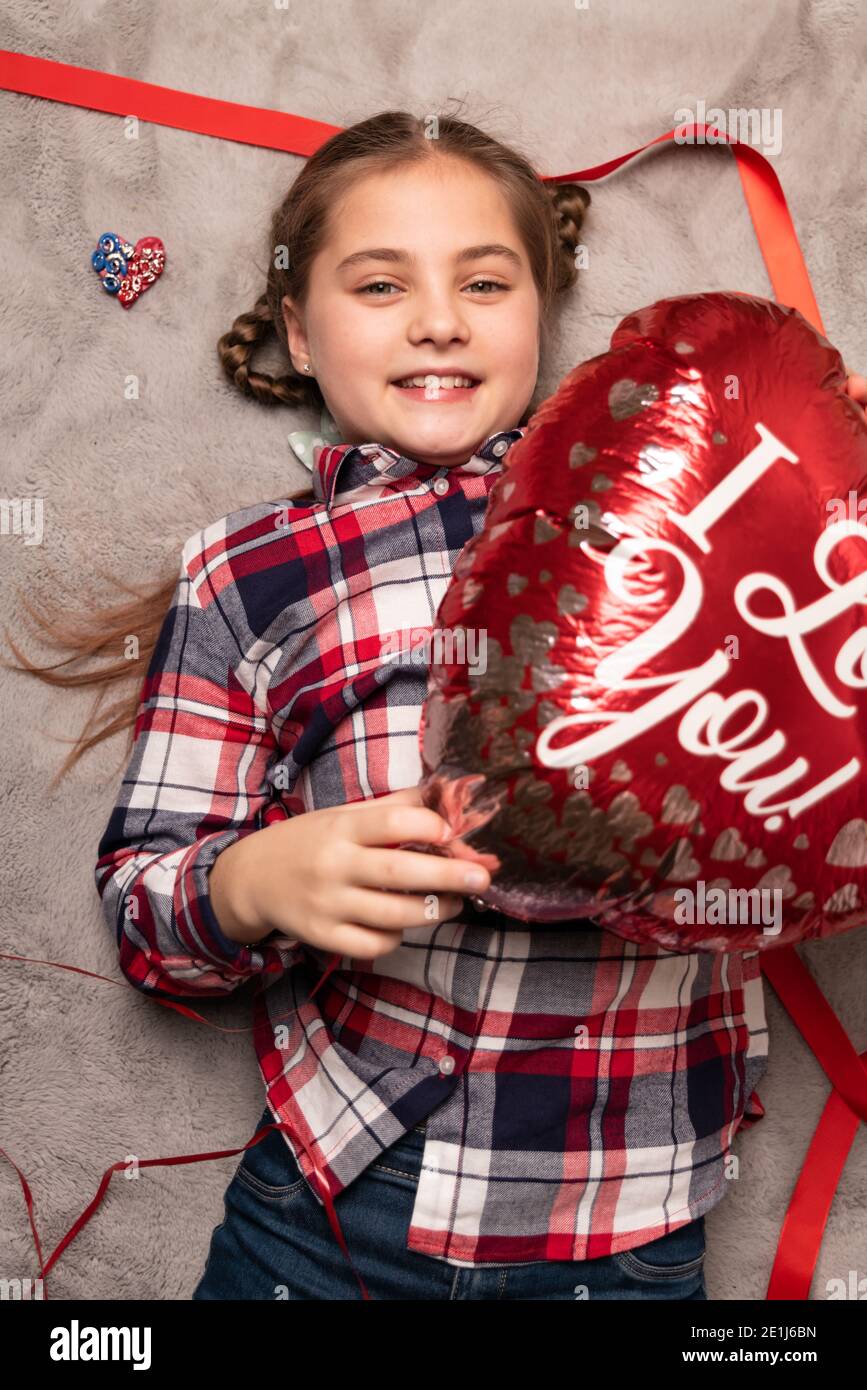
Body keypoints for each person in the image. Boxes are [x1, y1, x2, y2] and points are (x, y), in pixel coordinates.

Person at [12, 108, 867, 1301]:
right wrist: (256, 881)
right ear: (300, 334)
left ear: (542, 315)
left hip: (628, 1223)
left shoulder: (670, 498)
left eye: (485, 281)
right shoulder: (247, 569)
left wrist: (814, 484)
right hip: (337, 1204)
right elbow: (148, 899)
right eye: (379, 284)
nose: (438, 319)